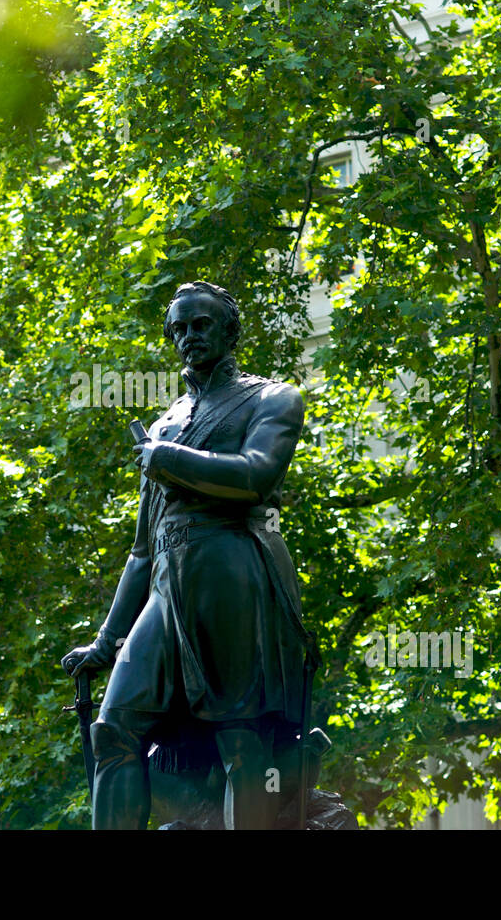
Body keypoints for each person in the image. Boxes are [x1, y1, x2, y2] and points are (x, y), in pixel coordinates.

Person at [62, 280, 312, 829]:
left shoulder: (273, 398)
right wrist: (105, 644)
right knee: (114, 728)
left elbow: (256, 476)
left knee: (240, 739)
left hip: (232, 572)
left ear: (229, 329)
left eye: (200, 324)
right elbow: (141, 551)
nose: (188, 337)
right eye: (178, 328)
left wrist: (168, 459)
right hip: (167, 588)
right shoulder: (164, 424)